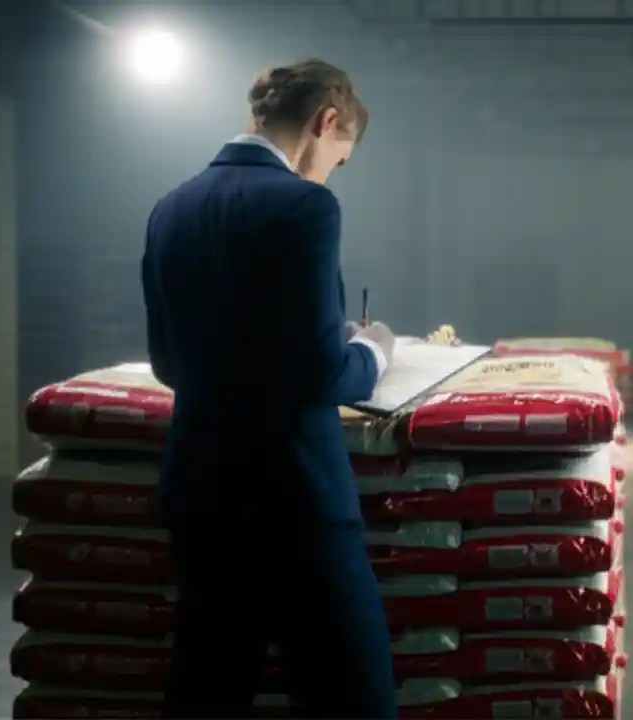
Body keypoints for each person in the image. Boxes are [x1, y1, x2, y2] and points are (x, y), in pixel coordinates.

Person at [141, 59, 398, 718]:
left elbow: (169, 362)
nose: (330, 173)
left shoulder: (171, 206)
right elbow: (320, 373)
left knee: (208, 692)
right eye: (337, 159)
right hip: (295, 499)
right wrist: (370, 352)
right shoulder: (306, 206)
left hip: (199, 497)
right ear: (325, 122)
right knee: (352, 697)